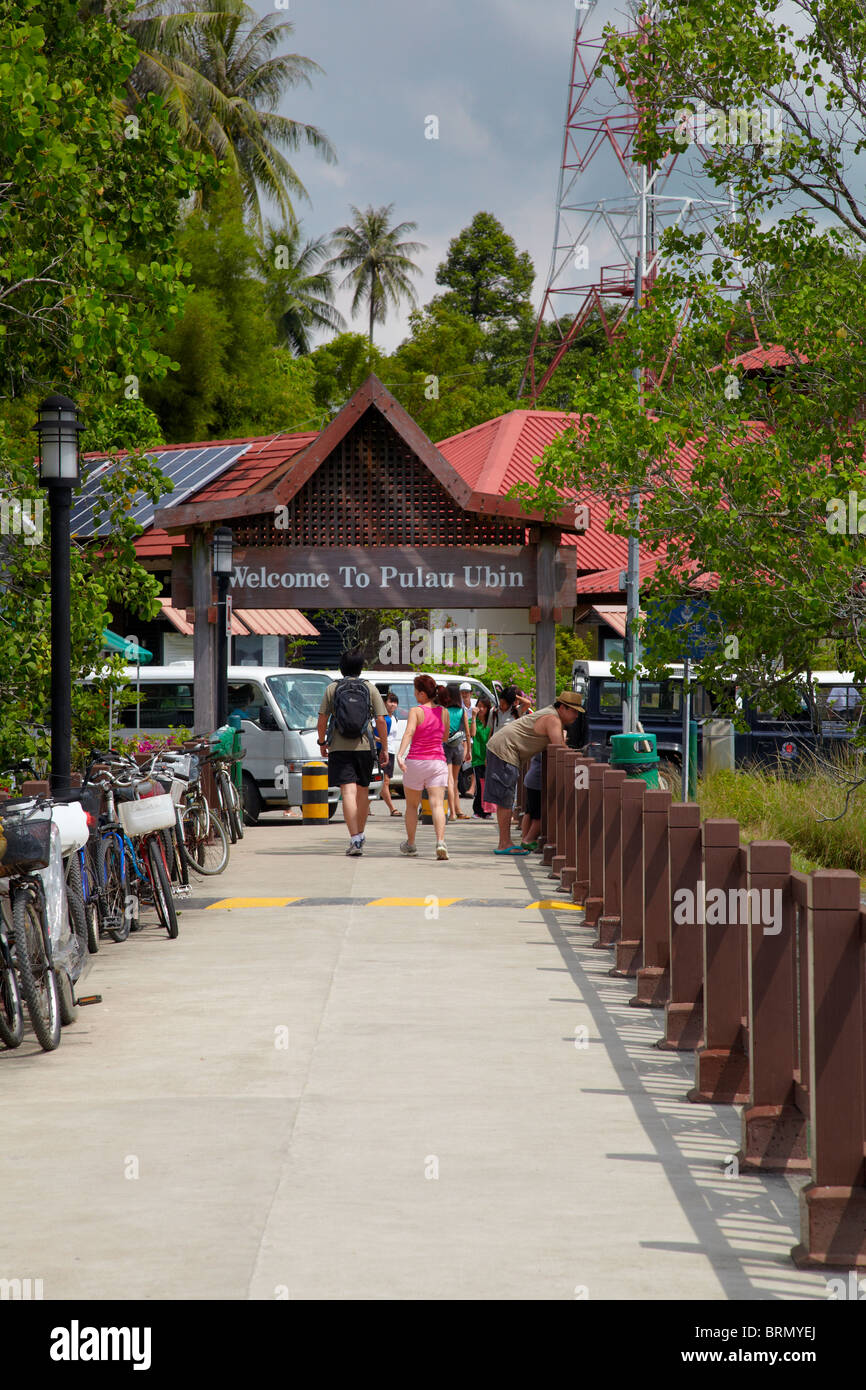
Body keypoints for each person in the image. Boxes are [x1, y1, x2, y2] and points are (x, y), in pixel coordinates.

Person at [484, 691, 585, 854]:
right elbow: (559, 746)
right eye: (574, 711)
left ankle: (505, 841)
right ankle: (504, 843)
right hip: (504, 750)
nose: (576, 716)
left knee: (506, 796)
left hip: (503, 748)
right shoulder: (553, 719)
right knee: (505, 797)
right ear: (563, 708)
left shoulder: (551, 715)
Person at [317, 646, 389, 856]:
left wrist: (322, 742)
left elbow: (322, 720)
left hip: (339, 746)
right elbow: (381, 720)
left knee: (347, 792)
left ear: (341, 667)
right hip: (365, 745)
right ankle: (360, 834)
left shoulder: (332, 688)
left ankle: (355, 839)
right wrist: (383, 747)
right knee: (363, 791)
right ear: (360, 667)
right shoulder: (369, 688)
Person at [395, 675, 450, 860]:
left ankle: (411, 844)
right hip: (437, 763)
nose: (414, 695)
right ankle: (441, 842)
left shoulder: (415, 711)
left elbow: (409, 732)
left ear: (421, 693)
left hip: (416, 762)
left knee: (412, 806)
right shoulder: (444, 712)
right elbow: (444, 738)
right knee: (437, 805)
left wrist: (400, 755)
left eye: (415, 691)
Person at [442, 683, 473, 820]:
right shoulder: (462, 711)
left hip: (446, 747)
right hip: (460, 747)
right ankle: (456, 811)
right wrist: (469, 751)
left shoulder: (444, 711)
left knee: (449, 780)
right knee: (454, 780)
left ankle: (452, 813)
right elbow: (468, 733)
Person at [377, 691, 402, 816]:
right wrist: (382, 742)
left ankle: (366, 806)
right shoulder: (381, 718)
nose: (393, 705)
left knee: (384, 781)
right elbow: (373, 735)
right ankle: (392, 808)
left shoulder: (394, 718)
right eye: (390, 702)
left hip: (390, 751)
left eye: (395, 702)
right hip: (381, 751)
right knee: (384, 781)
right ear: (384, 703)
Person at [471, 694, 493, 818]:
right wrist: (474, 717)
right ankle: (478, 810)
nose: (481, 709)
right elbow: (472, 733)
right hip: (477, 757)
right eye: (479, 706)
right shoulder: (473, 721)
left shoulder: (491, 722)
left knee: (488, 785)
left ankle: (487, 810)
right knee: (480, 785)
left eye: (484, 707)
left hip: (489, 757)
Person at [457, 682, 476, 801]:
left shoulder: (476, 703)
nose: (464, 694)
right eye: (462, 692)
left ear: (471, 693)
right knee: (463, 759)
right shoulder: (458, 705)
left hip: (475, 734)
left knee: (471, 760)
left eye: (466, 692)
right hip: (463, 735)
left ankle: (472, 787)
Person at [520, 752, 543, 849]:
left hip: (532, 779)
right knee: (539, 814)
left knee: (529, 811)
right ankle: (529, 839)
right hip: (538, 780)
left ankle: (525, 839)